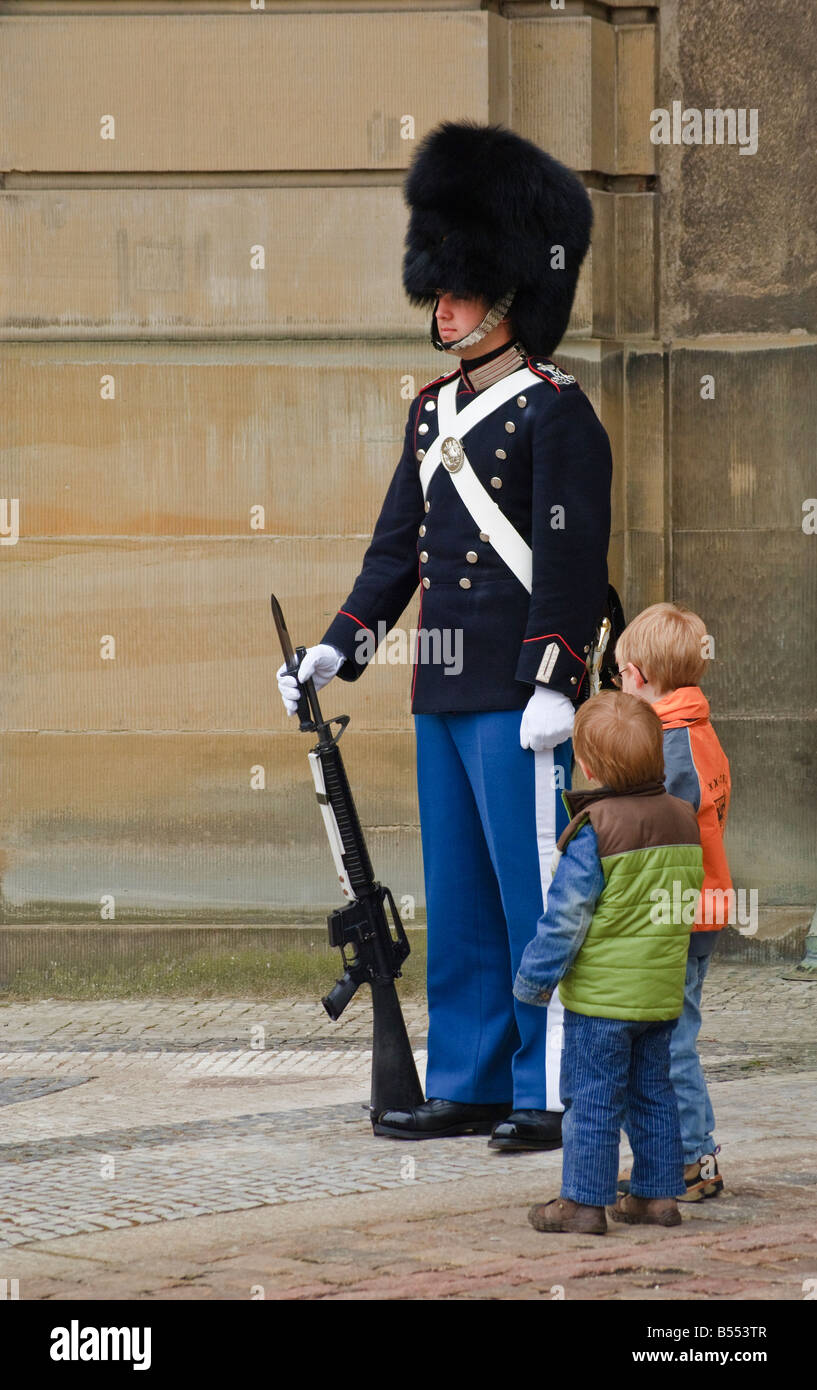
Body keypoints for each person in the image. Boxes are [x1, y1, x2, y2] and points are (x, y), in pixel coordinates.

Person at [277, 121, 612, 1149]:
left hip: (521, 696)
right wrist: (339, 647)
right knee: (463, 903)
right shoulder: (431, 416)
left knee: (535, 900)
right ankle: (469, 1075)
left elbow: (567, 558)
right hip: (442, 688)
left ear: (509, 292)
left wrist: (555, 674)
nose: (443, 304)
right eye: (441, 287)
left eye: (460, 287)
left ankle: (546, 1084)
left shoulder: (555, 413)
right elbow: (394, 552)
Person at [513, 692, 704, 1234]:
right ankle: (656, 1196)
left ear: (589, 767)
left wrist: (534, 979)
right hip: (660, 995)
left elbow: (566, 918)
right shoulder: (683, 821)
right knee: (653, 1094)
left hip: (601, 1003)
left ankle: (582, 1202)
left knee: (592, 1099)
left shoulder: (594, 830)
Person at [613, 602, 732, 1200]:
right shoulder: (697, 727)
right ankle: (686, 1155)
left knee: (671, 1036)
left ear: (641, 676)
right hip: (699, 907)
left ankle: (692, 1156)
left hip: (676, 912)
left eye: (620, 678)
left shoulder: (671, 741)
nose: (618, 687)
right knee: (671, 1030)